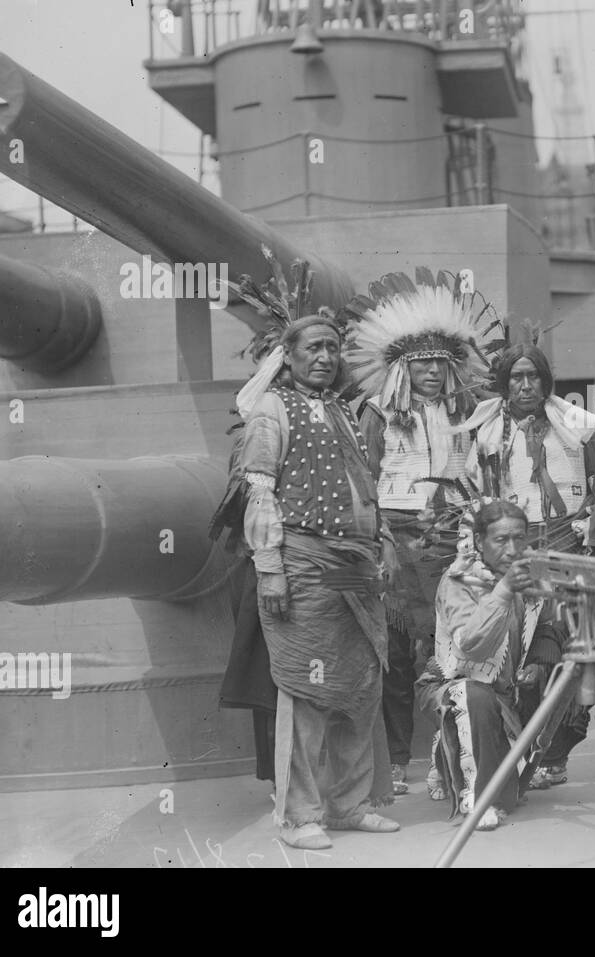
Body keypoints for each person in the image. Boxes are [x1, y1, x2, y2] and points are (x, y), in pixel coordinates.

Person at [215, 309, 400, 850]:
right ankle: (300, 815)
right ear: (288, 357)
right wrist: (271, 571)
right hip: (302, 566)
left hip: (357, 569)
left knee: (362, 687)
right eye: (313, 348)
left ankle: (349, 804)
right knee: (309, 688)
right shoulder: (272, 409)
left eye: (331, 349)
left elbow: (366, 486)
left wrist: (381, 542)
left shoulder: (344, 410)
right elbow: (260, 490)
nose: (324, 357)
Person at [461, 343, 595, 792]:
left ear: (546, 381)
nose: (525, 385)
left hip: (571, 554)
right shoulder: (485, 431)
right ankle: (550, 760)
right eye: (516, 377)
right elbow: (473, 501)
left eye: (533, 376)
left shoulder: (575, 426)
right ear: (504, 383)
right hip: (516, 562)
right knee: (538, 665)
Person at [348, 272, 487, 797]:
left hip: (454, 535)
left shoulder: (468, 412)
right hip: (396, 538)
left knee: (446, 648)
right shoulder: (379, 414)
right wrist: (379, 537)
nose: (431, 371)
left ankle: (446, 756)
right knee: (398, 652)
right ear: (403, 367)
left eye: (440, 362)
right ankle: (399, 759)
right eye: (421, 363)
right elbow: (364, 482)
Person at [414, 500, 564, 832]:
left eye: (520, 538)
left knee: (510, 795)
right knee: (473, 694)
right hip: (452, 686)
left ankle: (459, 756)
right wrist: (505, 590)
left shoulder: (533, 574)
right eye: (501, 540)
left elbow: (548, 628)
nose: (512, 549)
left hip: (505, 694)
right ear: (480, 542)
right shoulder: (459, 580)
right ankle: (474, 795)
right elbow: (471, 646)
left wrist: (539, 664)